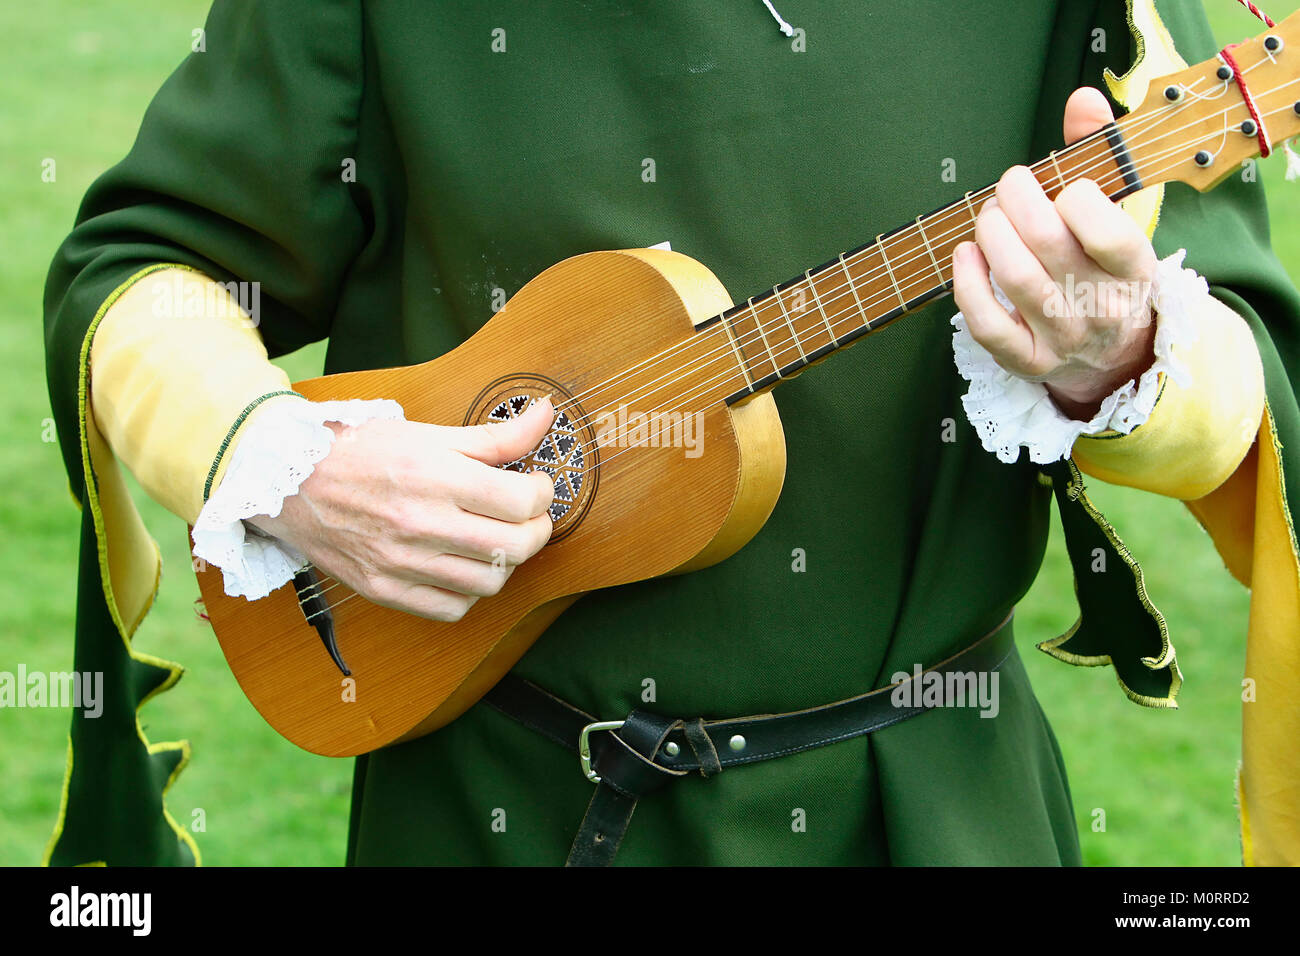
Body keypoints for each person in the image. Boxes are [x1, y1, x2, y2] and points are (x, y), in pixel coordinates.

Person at [42, 0, 1300, 866]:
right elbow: (147, 266)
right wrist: (285, 463)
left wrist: (1124, 357)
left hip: (921, 810)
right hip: (493, 811)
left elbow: (1250, 372)